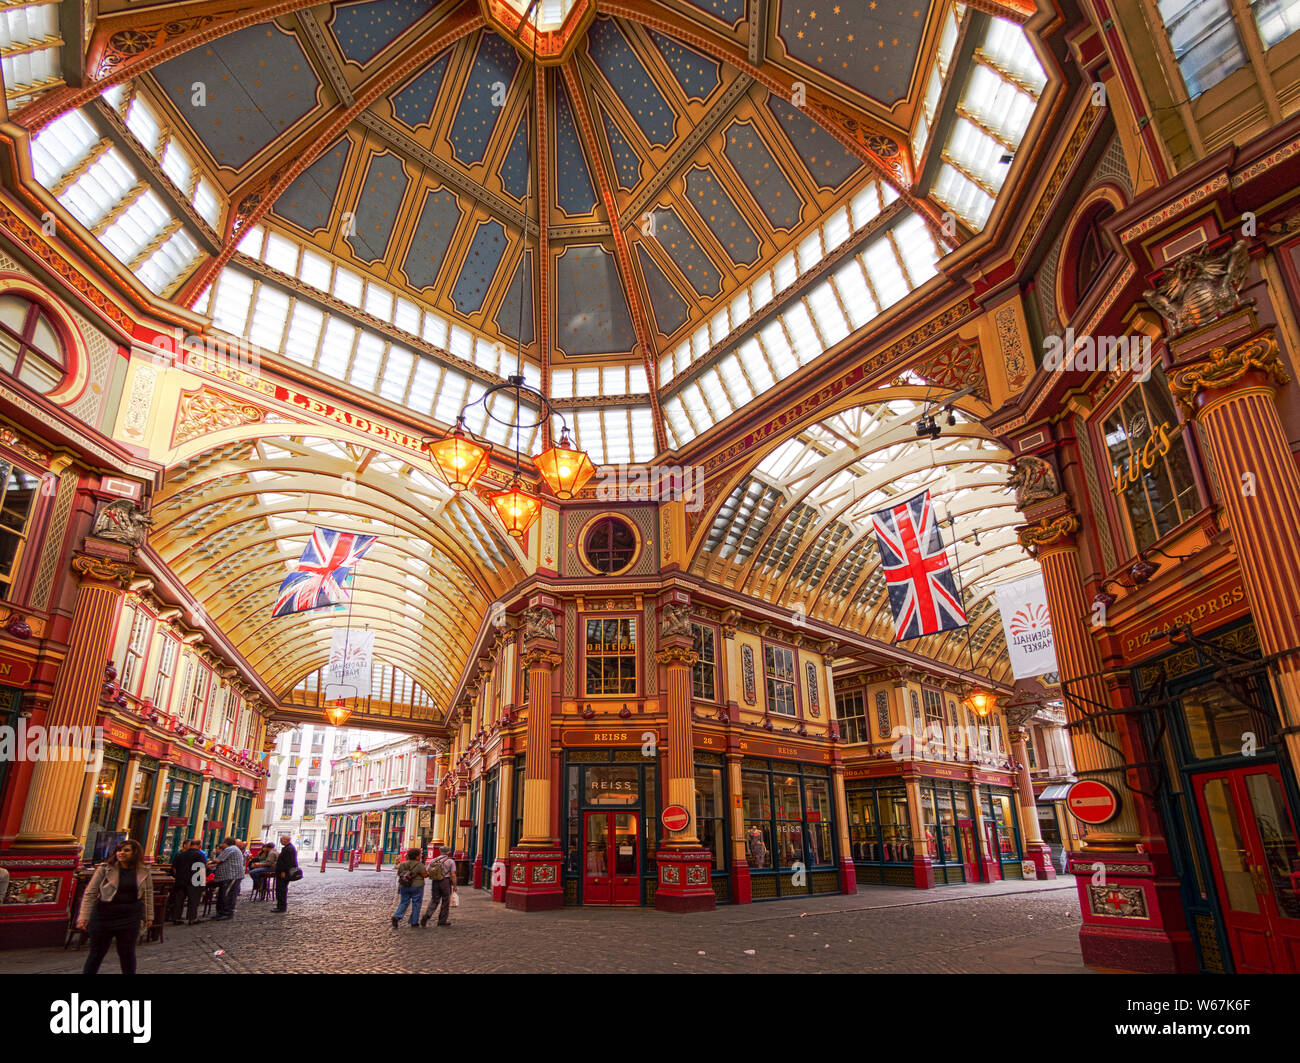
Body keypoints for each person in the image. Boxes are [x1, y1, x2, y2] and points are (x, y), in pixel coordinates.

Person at [77, 839, 153, 975]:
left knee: (127, 953)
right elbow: (90, 893)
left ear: (135, 853)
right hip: (104, 915)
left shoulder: (144, 871)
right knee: (96, 953)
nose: (121, 853)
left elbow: (147, 895)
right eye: (119, 850)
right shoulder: (105, 868)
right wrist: (84, 916)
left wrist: (149, 916)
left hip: (130, 916)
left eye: (126, 850)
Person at [167, 839, 207, 925]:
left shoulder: (181, 854)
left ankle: (176, 918)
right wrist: (202, 883)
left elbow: (174, 868)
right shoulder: (199, 855)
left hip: (180, 880)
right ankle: (192, 918)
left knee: (179, 900)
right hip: (194, 880)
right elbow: (201, 868)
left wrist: (178, 876)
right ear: (199, 845)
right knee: (193, 900)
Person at [418, 845, 457, 927]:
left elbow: (428, 872)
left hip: (435, 882)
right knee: (445, 901)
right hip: (445, 882)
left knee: (434, 900)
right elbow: (453, 874)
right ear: (448, 852)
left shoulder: (433, 861)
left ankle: (427, 915)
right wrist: (455, 886)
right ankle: (442, 921)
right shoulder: (450, 861)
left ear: (440, 851)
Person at [210, 836, 245, 921]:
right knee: (225, 893)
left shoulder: (230, 849)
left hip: (231, 875)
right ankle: (222, 912)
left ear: (226, 843)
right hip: (230, 875)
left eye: (223, 843)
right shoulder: (233, 849)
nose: (222, 845)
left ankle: (226, 912)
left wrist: (210, 862)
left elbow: (219, 860)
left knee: (227, 894)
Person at [392, 848, 428, 928]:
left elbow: (399, 874)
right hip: (417, 886)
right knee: (416, 903)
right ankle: (414, 921)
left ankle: (397, 916)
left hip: (404, 885)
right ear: (417, 856)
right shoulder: (419, 865)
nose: (420, 856)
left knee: (404, 902)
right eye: (420, 855)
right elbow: (424, 875)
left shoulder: (403, 864)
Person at [273, 833, 298, 912]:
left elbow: (288, 862)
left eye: (282, 839)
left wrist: (284, 871)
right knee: (281, 889)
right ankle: (280, 906)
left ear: (287, 840)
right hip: (281, 872)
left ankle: (281, 907)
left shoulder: (289, 849)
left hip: (283, 873)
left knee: (281, 889)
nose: (281, 841)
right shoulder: (288, 848)